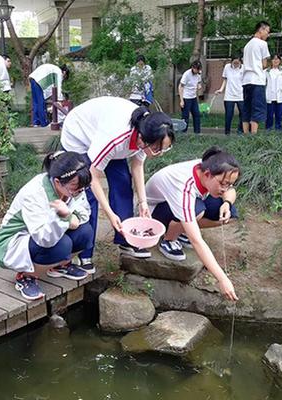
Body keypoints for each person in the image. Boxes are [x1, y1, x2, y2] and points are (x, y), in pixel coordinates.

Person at [60, 96, 175, 271]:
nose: (160, 153)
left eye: (165, 148)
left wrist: (143, 203)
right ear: (143, 140)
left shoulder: (147, 130)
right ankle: (84, 253)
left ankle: (126, 239)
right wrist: (110, 213)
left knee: (123, 184)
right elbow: (93, 177)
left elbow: (137, 166)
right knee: (86, 196)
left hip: (109, 140)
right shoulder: (115, 138)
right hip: (80, 136)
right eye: (158, 148)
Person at [0, 151, 93, 300]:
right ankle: (26, 277)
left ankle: (60, 266)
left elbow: (83, 215)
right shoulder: (34, 193)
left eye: (82, 188)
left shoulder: (74, 188)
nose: (79, 192)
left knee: (85, 232)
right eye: (75, 188)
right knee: (62, 245)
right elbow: (44, 238)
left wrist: (69, 217)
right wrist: (65, 217)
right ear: (58, 182)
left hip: (45, 232)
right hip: (13, 240)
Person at [145, 146, 239, 301]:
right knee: (197, 210)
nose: (225, 188)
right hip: (154, 213)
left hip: (179, 204)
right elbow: (197, 241)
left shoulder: (212, 168)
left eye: (228, 184)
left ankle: (183, 229)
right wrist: (222, 279)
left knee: (230, 215)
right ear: (208, 175)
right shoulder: (183, 185)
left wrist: (227, 203)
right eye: (223, 184)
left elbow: (231, 191)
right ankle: (169, 239)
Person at [241, 21, 271, 134]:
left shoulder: (247, 45)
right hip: (257, 80)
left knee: (247, 108)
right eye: (267, 31)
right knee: (257, 108)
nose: (268, 35)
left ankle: (245, 134)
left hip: (246, 80)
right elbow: (264, 64)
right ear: (261, 30)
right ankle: (253, 136)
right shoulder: (262, 44)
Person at [215, 55, 244, 135]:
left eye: (237, 63)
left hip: (241, 95)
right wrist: (221, 89)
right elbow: (225, 80)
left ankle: (240, 131)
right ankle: (227, 133)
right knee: (228, 115)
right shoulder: (227, 67)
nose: (236, 64)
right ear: (231, 62)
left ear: (240, 61)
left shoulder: (244, 68)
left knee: (243, 114)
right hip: (229, 95)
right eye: (234, 63)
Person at [179, 60, 203, 134]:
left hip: (193, 97)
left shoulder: (198, 74)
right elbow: (180, 87)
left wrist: (199, 85)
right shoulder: (186, 74)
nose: (197, 71)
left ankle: (197, 133)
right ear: (193, 67)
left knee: (197, 115)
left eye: (198, 69)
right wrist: (181, 100)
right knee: (185, 117)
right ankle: (183, 133)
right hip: (186, 98)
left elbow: (198, 82)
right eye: (196, 69)